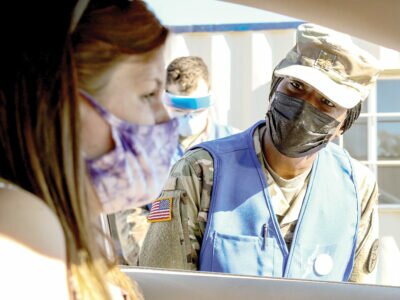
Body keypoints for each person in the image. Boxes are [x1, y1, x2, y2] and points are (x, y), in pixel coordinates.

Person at [139, 23, 382, 284]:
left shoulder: (357, 186)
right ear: (275, 88)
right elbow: (163, 287)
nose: (303, 107)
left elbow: (360, 289)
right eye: (296, 86)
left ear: (343, 124)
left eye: (327, 102)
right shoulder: (201, 171)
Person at [0, 1, 178, 299]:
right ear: (64, 104)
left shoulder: (85, 234)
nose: (164, 118)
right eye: (148, 94)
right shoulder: (19, 223)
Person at [111, 56, 238, 265]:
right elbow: (131, 214)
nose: (189, 118)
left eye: (197, 110)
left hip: (216, 268)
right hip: (162, 267)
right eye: (180, 110)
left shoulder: (232, 146)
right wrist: (153, 265)